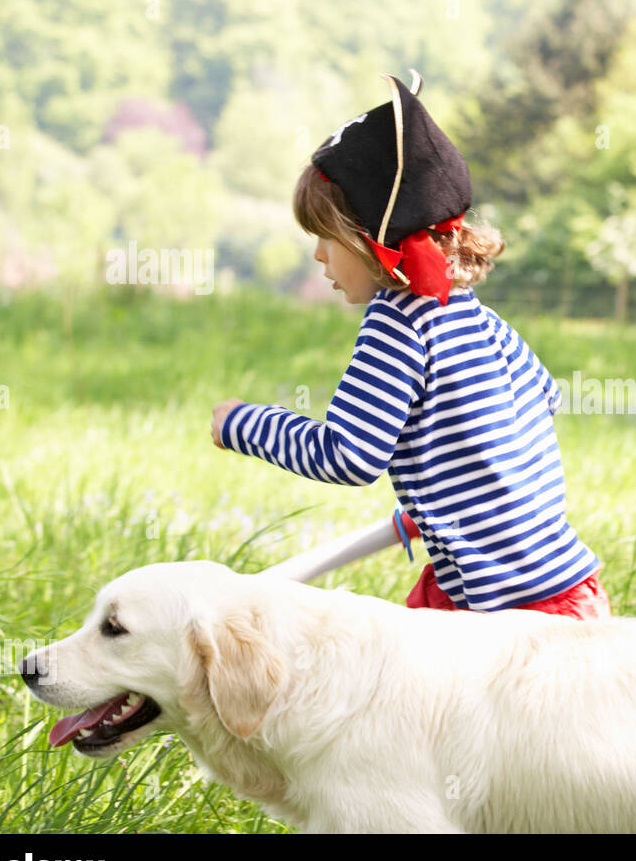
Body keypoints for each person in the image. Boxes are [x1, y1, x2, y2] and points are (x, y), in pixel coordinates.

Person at [210, 74, 609, 620]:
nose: (319, 256)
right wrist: (448, 502)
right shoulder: (476, 317)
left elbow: (348, 455)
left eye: (327, 238)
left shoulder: (397, 323)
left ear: (372, 242)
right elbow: (541, 400)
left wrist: (243, 425)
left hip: (507, 617)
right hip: (567, 589)